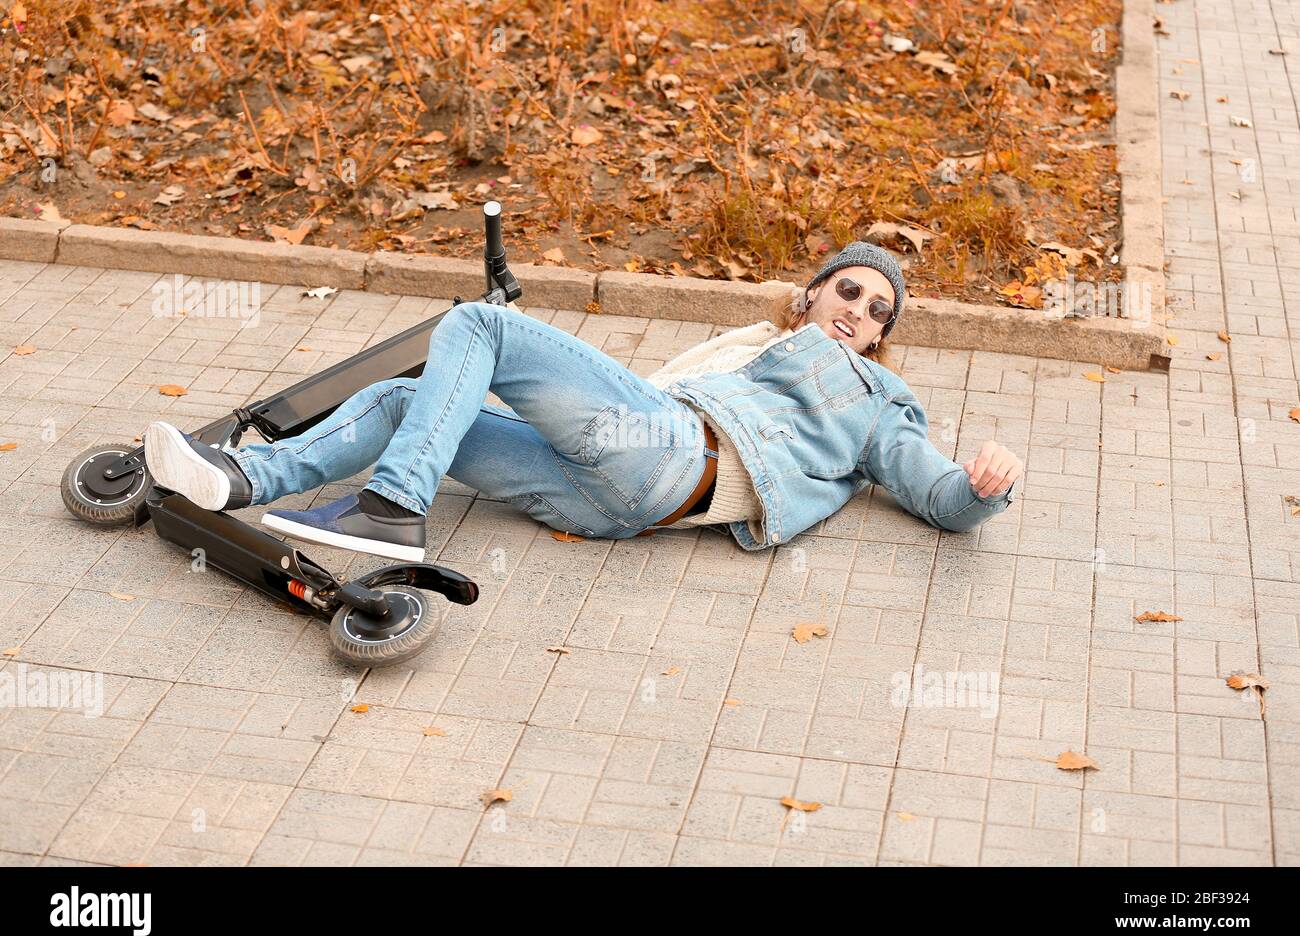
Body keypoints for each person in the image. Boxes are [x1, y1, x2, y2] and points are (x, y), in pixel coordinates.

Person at [143, 241, 1024, 562]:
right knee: (398, 399)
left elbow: (940, 498)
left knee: (480, 328)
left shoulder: (879, 400)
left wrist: (985, 485)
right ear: (811, 296)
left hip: (683, 456)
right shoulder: (750, 353)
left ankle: (394, 509)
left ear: (878, 342)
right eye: (849, 291)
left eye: (879, 313)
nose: (861, 312)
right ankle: (240, 479)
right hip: (618, 504)